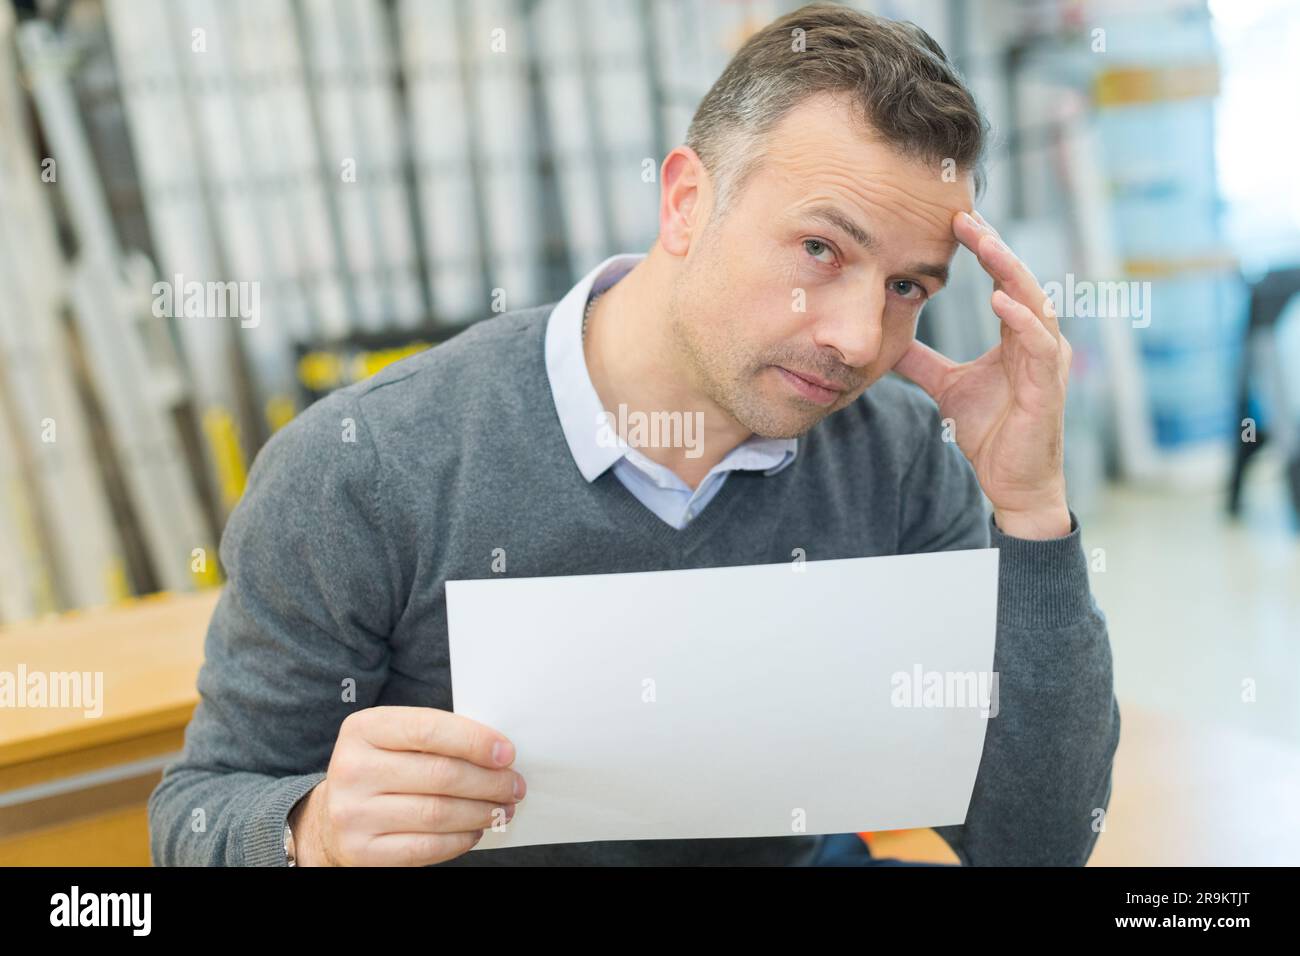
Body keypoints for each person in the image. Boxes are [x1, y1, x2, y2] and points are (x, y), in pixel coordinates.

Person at [149, 3, 1120, 867]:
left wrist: (1030, 513)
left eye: (906, 286)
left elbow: (1029, 845)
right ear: (687, 202)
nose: (857, 338)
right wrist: (308, 830)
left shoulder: (903, 451)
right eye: (821, 249)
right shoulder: (363, 467)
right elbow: (197, 811)